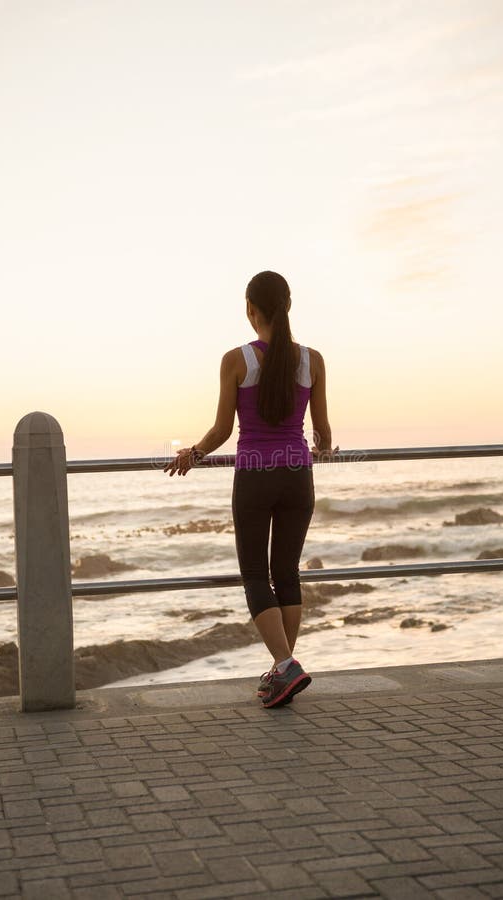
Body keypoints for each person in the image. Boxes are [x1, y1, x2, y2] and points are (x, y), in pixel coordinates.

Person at [164, 271, 336, 708]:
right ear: (288, 307)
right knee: (287, 574)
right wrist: (325, 448)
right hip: (299, 475)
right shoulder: (312, 360)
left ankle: (285, 667)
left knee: (256, 576)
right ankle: (285, 670)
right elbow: (323, 436)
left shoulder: (236, 360)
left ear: (250, 310)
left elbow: (223, 429)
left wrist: (194, 453)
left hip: (256, 477)